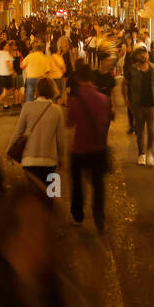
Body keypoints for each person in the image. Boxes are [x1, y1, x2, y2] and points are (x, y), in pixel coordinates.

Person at [66, 64, 110, 232]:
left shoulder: (74, 100)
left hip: (78, 148)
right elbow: (106, 124)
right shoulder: (103, 99)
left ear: (78, 79)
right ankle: (99, 217)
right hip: (98, 148)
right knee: (98, 184)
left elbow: (69, 123)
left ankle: (78, 215)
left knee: (77, 184)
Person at [10, 78, 65, 195]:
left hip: (29, 161)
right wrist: (62, 159)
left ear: (37, 91)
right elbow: (60, 138)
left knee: (33, 199)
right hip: (50, 161)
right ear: (52, 91)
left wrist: (9, 150)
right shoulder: (57, 110)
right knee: (50, 195)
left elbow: (18, 132)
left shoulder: (27, 107)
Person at [126, 47, 154, 167]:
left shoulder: (153, 67)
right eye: (140, 54)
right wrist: (127, 99)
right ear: (136, 56)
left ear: (148, 55)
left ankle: (150, 153)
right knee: (140, 131)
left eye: (145, 53)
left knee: (151, 131)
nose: (143, 56)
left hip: (151, 104)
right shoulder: (132, 69)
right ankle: (141, 155)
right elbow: (125, 84)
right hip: (138, 105)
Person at [0, 40, 18, 110]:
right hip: (6, 74)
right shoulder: (6, 53)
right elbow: (8, 64)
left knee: (5, 90)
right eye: (7, 45)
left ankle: (6, 105)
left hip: (0, 73)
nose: (8, 46)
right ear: (4, 46)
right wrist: (13, 71)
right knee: (10, 89)